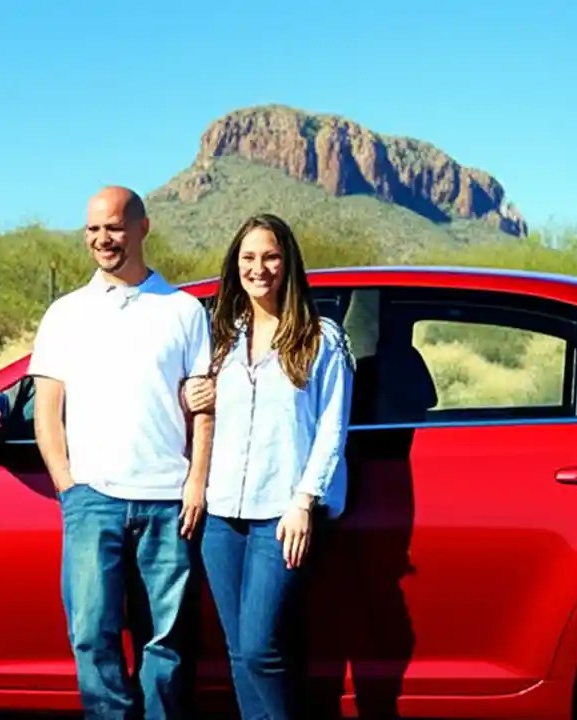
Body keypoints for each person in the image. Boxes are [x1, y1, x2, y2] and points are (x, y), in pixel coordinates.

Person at [27, 185, 215, 719]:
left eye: (113, 227)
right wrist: (68, 484)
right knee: (91, 635)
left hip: (168, 502)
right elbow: (48, 411)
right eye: (93, 229)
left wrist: (196, 483)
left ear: (142, 229)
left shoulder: (182, 310)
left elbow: (203, 408)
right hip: (93, 500)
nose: (102, 239)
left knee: (169, 643)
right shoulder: (65, 314)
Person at [182, 212, 354, 719]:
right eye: (249, 258)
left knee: (261, 649)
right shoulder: (221, 338)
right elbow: (205, 412)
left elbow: (331, 429)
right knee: (239, 654)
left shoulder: (321, 338)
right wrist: (193, 395)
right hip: (221, 515)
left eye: (271, 257)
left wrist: (304, 502)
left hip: (280, 515)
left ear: (289, 263)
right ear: (235, 266)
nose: (260, 269)